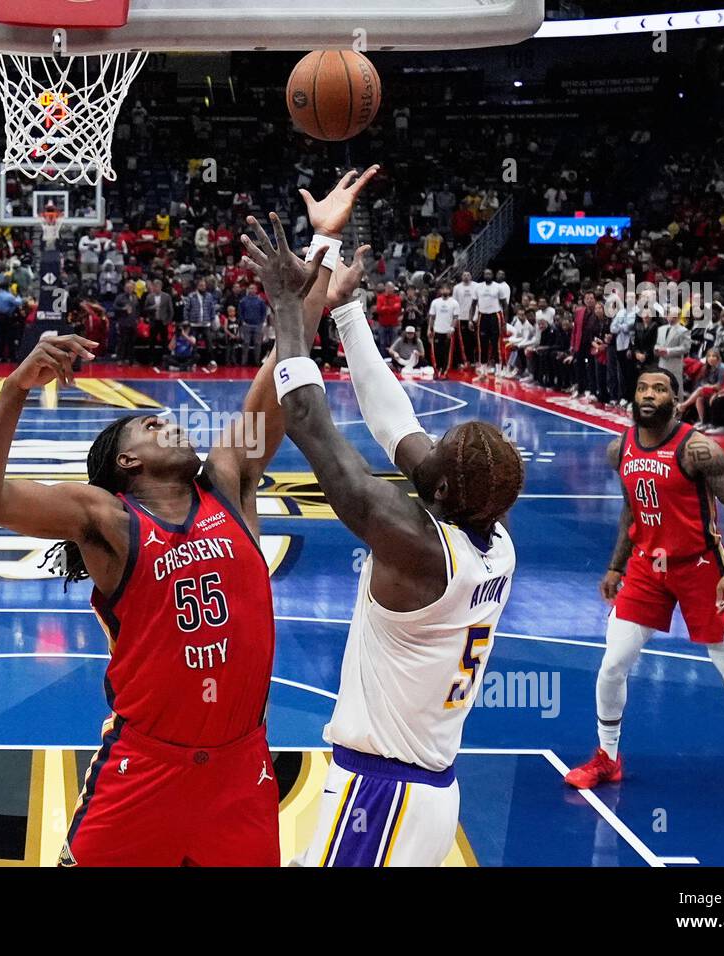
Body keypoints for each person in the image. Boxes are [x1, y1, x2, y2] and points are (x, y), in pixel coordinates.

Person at [0, 170, 374, 867]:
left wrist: (322, 245)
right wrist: (15, 389)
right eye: (149, 426)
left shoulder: (230, 479)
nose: (168, 422)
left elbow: (284, 364)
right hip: (144, 770)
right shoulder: (108, 520)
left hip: (242, 768)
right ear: (126, 462)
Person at [254, 215, 524, 866]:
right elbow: (395, 423)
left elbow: (308, 421)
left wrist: (289, 305)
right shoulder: (493, 538)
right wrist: (346, 313)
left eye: (440, 447)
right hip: (426, 791)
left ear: (441, 488)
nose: (429, 443)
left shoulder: (418, 548)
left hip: (382, 798)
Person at [564, 367, 724, 816]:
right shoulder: (620, 449)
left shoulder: (699, 450)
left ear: (675, 400)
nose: (648, 394)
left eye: (659, 389)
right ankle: (608, 757)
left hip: (700, 568)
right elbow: (631, 510)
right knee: (612, 665)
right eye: (642, 387)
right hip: (646, 567)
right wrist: (615, 565)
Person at [428, 284, 460, 379]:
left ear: (450, 290)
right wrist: (429, 329)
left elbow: (455, 317)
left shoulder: (454, 303)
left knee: (447, 354)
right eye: (443, 289)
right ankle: (437, 371)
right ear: (440, 290)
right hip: (437, 331)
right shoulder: (435, 302)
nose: (445, 290)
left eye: (447, 289)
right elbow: (432, 317)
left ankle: (445, 373)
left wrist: (452, 328)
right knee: (436, 353)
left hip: (448, 332)